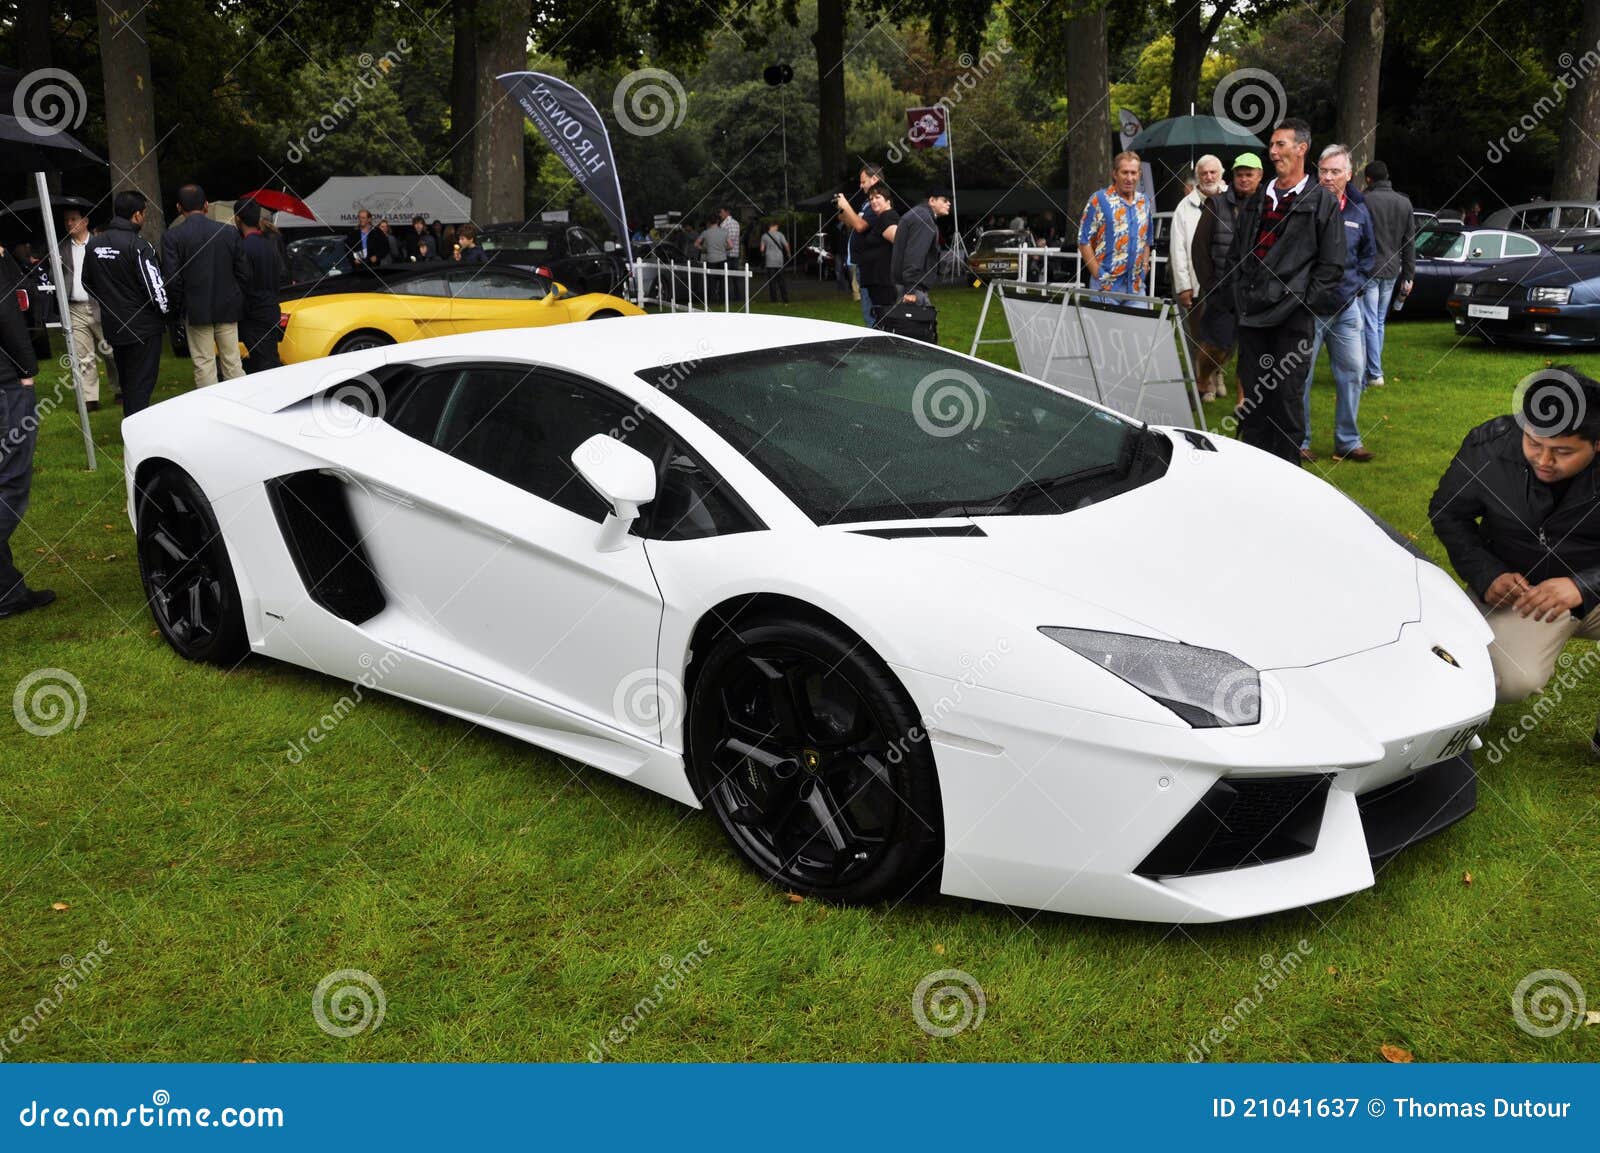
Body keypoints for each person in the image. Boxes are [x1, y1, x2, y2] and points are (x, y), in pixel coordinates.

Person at [1428, 367, 1600, 751]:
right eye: (1534, 443)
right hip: (1524, 591)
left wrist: (1581, 585)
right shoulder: (1488, 446)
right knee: (1507, 678)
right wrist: (1487, 573)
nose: (1544, 459)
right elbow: (1448, 512)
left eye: (1563, 451)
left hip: (1592, 586)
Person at [1225, 118, 1346, 465]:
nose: (1273, 152)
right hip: (1251, 317)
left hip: (1291, 320)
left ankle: (1286, 478)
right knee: (1254, 400)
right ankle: (1254, 474)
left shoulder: (1321, 202)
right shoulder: (1257, 200)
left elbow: (1332, 264)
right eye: (1272, 145)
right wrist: (1238, 297)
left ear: (1302, 149)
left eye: (1280, 145)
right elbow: (1236, 255)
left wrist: (1303, 304)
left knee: (1286, 398)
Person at [1298, 144, 1376, 463]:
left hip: (1346, 309)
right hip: (1308, 310)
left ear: (1348, 174)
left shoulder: (1359, 212)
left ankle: (1348, 441)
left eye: (1335, 172)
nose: (1328, 177)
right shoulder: (1305, 206)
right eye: (1323, 171)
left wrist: (1355, 287)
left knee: (1354, 372)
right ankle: (1300, 440)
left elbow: (1370, 256)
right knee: (1300, 376)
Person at [81, 189, 169, 416]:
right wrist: (166, 314)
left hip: (114, 325)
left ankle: (130, 425)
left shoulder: (94, 245)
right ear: (137, 215)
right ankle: (137, 433)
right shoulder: (139, 246)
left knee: (128, 382)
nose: (145, 217)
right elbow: (155, 290)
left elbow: (87, 282)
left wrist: (111, 302)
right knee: (141, 384)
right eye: (144, 213)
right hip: (143, 328)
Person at [0, 244, 53, 619]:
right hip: (5, 380)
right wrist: (26, 366)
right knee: (12, 481)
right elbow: (8, 307)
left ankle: (7, 591)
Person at [161, 182, 249, 388]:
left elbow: (172, 279)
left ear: (179, 208)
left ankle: (209, 410)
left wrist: (183, 305)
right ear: (206, 205)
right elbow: (244, 273)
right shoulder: (228, 232)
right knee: (233, 362)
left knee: (204, 364)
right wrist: (236, 296)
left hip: (196, 309)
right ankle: (242, 407)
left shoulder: (172, 236)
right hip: (228, 306)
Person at [1191, 153, 1261, 402]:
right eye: (1239, 174)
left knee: (1249, 348)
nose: (1243, 179)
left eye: (1249, 174)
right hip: (1222, 291)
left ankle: (1243, 401)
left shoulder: (1267, 205)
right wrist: (1210, 285)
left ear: (1259, 176)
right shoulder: (1217, 204)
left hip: (1255, 291)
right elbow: (1199, 248)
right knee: (1218, 346)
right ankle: (1202, 379)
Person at [1360, 161, 1415, 389]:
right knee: (1379, 321)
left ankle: (1374, 373)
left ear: (1369, 179)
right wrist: (1409, 274)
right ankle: (1374, 369)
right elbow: (1409, 242)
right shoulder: (1404, 202)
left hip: (1370, 267)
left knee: (1370, 322)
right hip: (1393, 269)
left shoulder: (1364, 200)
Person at [58, 207, 119, 412]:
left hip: (100, 306)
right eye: (66, 220)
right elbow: (54, 278)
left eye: (73, 219)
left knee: (111, 351)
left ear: (85, 221)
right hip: (74, 307)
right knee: (83, 355)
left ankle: (120, 389)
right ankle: (89, 398)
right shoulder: (61, 248)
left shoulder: (99, 244)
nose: (69, 223)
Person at [1171, 157, 1220, 399]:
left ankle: (1217, 374)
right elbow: (1177, 250)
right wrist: (1183, 286)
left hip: (1225, 281)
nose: (1209, 177)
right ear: (1198, 177)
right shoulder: (1184, 207)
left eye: (1213, 172)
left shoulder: (1231, 200)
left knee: (1224, 335)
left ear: (1221, 174)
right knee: (1199, 334)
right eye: (1204, 173)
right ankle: (1204, 382)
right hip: (1196, 281)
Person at [1077, 151, 1153, 297]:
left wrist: (1144, 268)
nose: (1129, 178)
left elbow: (1147, 240)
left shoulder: (1145, 202)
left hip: (1136, 287)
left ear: (1139, 174)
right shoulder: (1099, 199)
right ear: (1115, 174)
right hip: (1105, 287)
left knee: (1139, 320)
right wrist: (1098, 274)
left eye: (1133, 173)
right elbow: (1083, 240)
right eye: (1125, 172)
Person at [234, 199, 287, 375]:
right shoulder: (269, 244)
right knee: (269, 357)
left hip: (254, 313)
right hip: (271, 308)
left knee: (265, 364)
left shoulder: (243, 248)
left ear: (237, 219)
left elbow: (244, 282)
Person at [837, 163, 884, 324]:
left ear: (875, 179)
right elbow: (855, 224)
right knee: (868, 310)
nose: (860, 185)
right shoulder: (867, 203)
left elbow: (861, 225)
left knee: (871, 312)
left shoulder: (876, 205)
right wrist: (843, 212)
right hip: (861, 263)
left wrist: (846, 205)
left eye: (864, 181)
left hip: (869, 265)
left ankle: (876, 343)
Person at [890, 186, 951, 306]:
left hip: (907, 285)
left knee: (907, 323)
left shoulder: (919, 214)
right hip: (912, 288)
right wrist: (911, 289)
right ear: (932, 201)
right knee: (921, 323)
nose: (949, 204)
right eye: (945, 200)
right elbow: (914, 255)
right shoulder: (923, 218)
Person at [855, 183, 900, 319]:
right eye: (871, 199)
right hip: (877, 282)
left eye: (877, 197)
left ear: (888, 200)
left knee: (885, 319)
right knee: (879, 318)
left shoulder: (888, 216)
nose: (873, 201)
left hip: (883, 282)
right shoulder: (881, 218)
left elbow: (900, 242)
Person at [695, 215, 730, 304]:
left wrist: (704, 249)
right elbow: (731, 245)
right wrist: (724, 249)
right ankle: (723, 300)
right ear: (718, 222)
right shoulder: (725, 232)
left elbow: (696, 244)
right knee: (723, 281)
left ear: (709, 223)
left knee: (711, 281)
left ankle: (712, 300)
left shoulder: (705, 232)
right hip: (723, 259)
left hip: (711, 260)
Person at [759, 220, 792, 304]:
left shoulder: (764, 236)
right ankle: (785, 299)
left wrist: (764, 252)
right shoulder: (780, 234)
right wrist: (788, 254)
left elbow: (762, 249)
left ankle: (774, 300)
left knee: (772, 281)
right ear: (773, 226)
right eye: (777, 226)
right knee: (781, 280)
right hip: (779, 260)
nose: (777, 228)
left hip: (769, 260)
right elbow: (786, 245)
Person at [718, 207, 742, 271]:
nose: (720, 215)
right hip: (735, 253)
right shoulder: (736, 223)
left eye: (721, 212)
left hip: (726, 254)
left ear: (727, 212)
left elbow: (730, 238)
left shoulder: (724, 224)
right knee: (735, 277)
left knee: (725, 277)